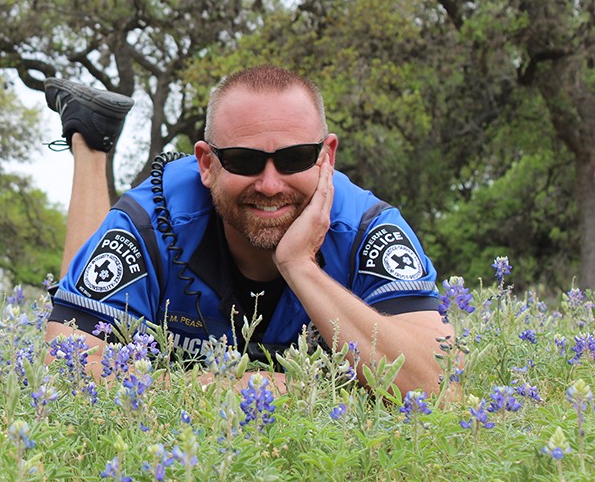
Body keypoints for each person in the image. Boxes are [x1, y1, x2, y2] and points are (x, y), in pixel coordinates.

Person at [42, 66, 453, 396]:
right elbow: (65, 372)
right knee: (81, 290)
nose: (270, 185)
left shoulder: (366, 227)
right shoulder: (149, 218)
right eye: (243, 160)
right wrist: (269, 389)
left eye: (295, 158)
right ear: (207, 164)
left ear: (327, 157)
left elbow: (441, 386)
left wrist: (300, 266)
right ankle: (90, 144)